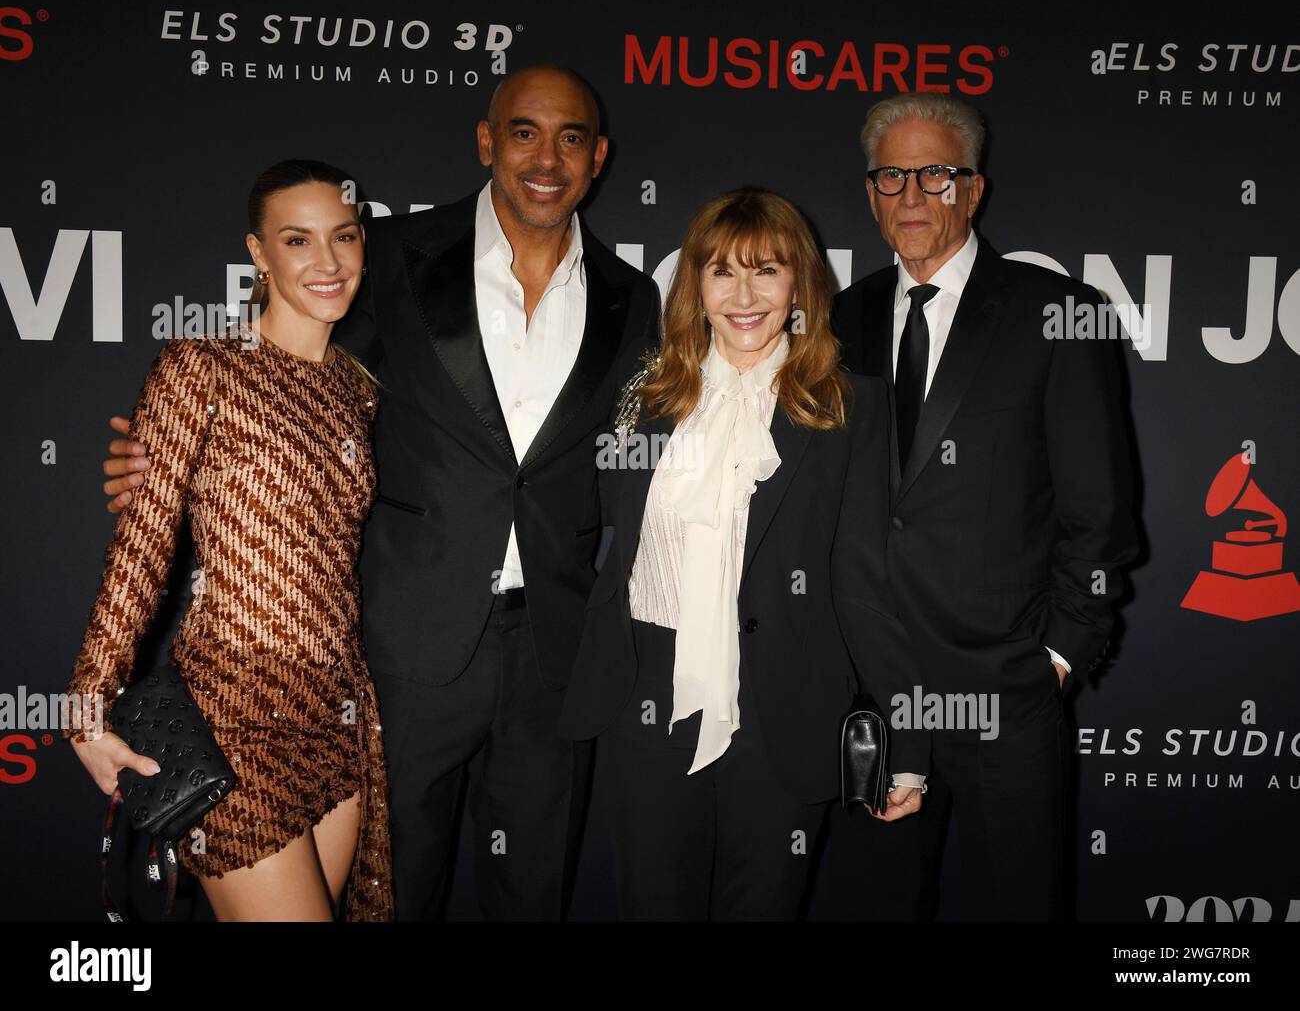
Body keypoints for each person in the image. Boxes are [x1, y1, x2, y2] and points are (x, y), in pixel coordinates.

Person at [100, 64, 659, 921]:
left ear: (599, 156)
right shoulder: (388, 256)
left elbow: (650, 455)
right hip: (402, 652)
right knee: (392, 898)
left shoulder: (633, 296)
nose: (547, 157)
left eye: (571, 137)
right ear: (486, 141)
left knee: (533, 894)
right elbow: (287, 380)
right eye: (523, 132)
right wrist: (167, 460)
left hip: (553, 654)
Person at [559, 187, 927, 920]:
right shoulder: (649, 391)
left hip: (782, 699)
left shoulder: (847, 406)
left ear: (800, 284)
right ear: (695, 283)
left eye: (767, 269)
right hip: (647, 690)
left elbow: (863, 580)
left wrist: (908, 738)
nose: (744, 294)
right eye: (722, 271)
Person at [830, 93, 1139, 920]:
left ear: (975, 188)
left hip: (1006, 692)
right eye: (891, 176)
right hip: (876, 694)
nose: (913, 196)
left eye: (936, 173)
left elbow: (1100, 512)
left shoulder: (1058, 312)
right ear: (869, 194)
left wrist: (1061, 658)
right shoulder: (838, 317)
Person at [66, 159, 393, 921]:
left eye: (344, 236)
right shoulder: (201, 367)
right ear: (259, 252)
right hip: (233, 708)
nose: (328, 261)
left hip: (338, 713)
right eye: (298, 240)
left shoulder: (360, 391)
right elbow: (143, 544)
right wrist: (88, 702)